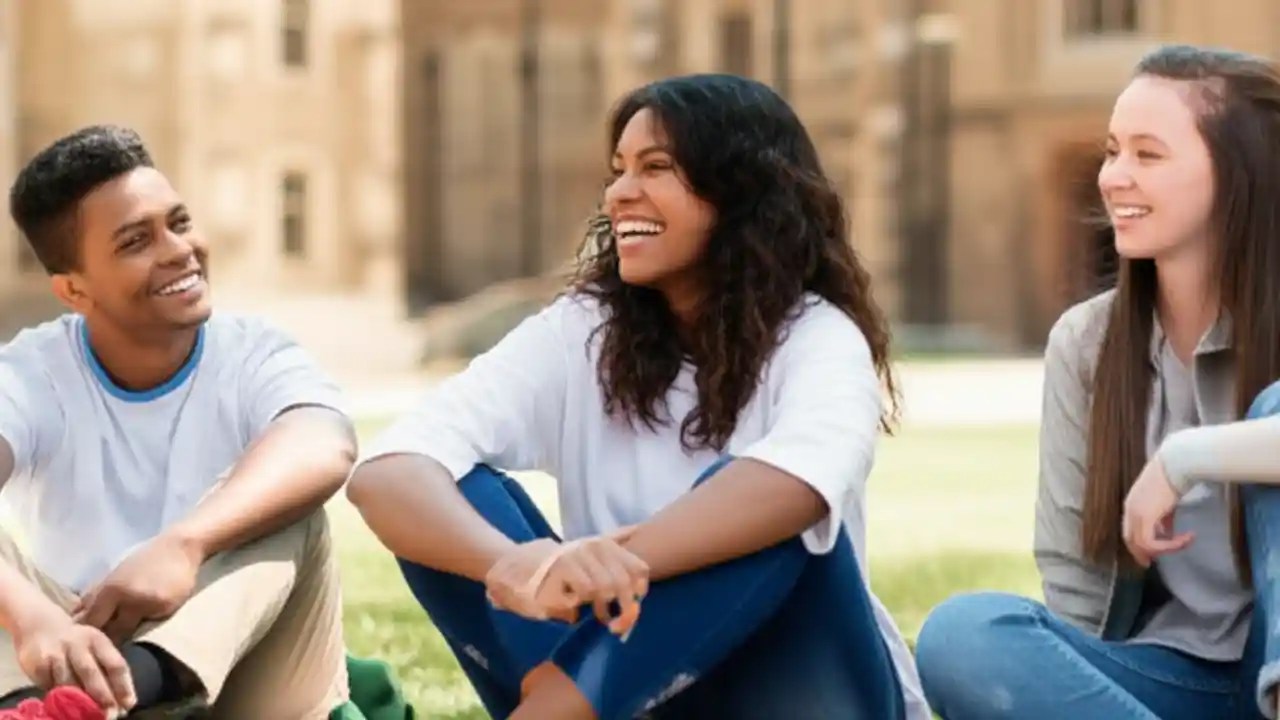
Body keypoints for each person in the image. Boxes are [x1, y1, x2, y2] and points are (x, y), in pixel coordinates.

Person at [346, 73, 930, 720]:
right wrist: (515, 565)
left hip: (805, 694)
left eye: (656, 168)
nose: (620, 193)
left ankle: (554, 708)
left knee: (763, 510)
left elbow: (794, 489)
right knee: (457, 493)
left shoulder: (818, 336)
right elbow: (388, 471)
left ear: (742, 192)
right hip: (630, 686)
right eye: (618, 170)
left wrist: (614, 563)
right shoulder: (584, 330)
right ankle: (572, 699)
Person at [915, 45, 1280, 719]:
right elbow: (1075, 591)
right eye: (1113, 151)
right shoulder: (1086, 344)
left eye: (1148, 154)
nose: (1113, 177)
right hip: (1167, 680)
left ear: (1238, 176)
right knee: (961, 635)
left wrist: (1184, 457)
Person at [0, 125, 356, 719]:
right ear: (73, 290)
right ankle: (49, 709)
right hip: (76, 651)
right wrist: (29, 616)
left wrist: (183, 546)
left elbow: (327, 443)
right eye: (136, 241)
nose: (177, 250)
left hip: (255, 684)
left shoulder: (255, 352)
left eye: (180, 222)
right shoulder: (33, 372)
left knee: (290, 511)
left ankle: (119, 694)